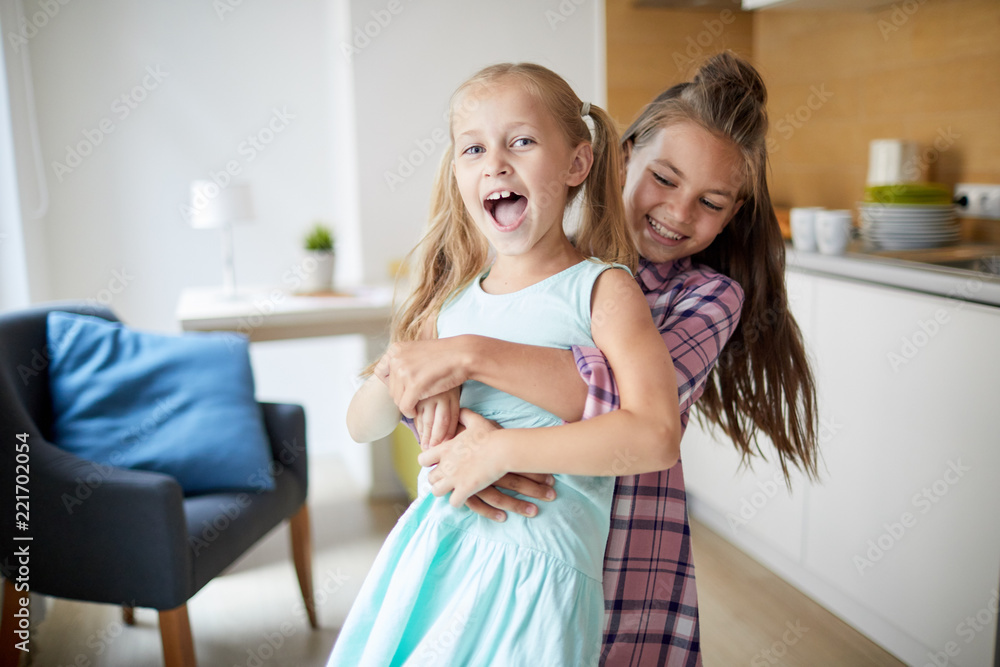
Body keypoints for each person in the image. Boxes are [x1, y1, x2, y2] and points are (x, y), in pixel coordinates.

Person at [375, 51, 820, 665]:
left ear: (735, 213)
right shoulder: (538, 257)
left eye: (711, 202)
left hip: (619, 555)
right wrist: (460, 427)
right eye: (664, 179)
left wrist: (470, 362)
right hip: (494, 543)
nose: (677, 212)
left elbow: (618, 403)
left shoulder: (709, 297)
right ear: (626, 153)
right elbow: (420, 385)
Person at [328, 62, 687, 666]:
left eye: (520, 141)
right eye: (473, 148)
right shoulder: (448, 307)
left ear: (577, 164)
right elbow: (362, 425)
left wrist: (503, 450)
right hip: (435, 554)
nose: (495, 162)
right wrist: (402, 366)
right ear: (458, 174)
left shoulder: (601, 290)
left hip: (536, 576)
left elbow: (655, 436)